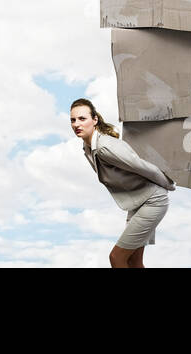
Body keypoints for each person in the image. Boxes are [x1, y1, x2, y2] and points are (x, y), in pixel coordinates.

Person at [72, 97, 176, 268]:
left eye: (82, 118)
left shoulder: (104, 147)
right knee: (134, 261)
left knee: (116, 258)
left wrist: (167, 184)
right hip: (139, 202)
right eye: (73, 120)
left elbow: (140, 165)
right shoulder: (88, 148)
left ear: (95, 120)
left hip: (153, 201)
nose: (77, 124)